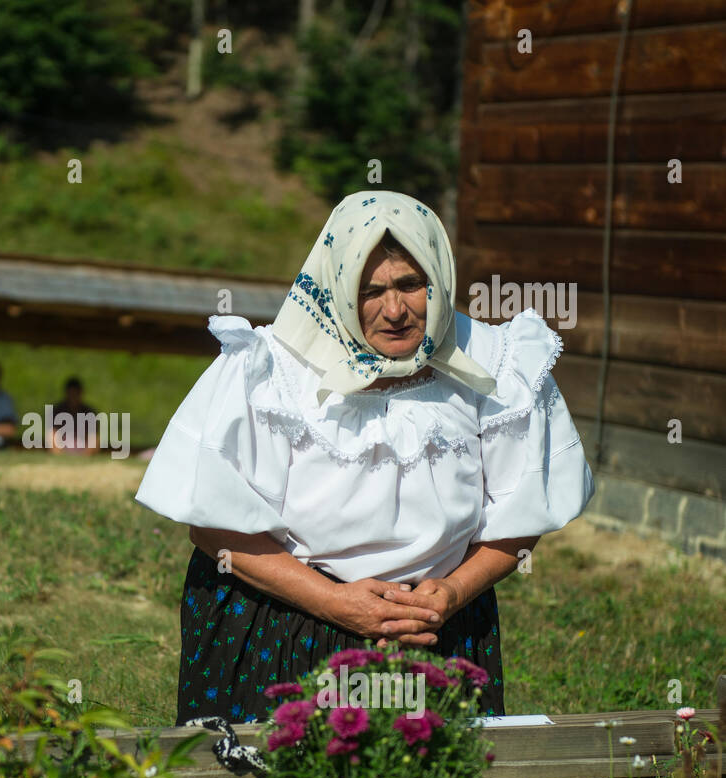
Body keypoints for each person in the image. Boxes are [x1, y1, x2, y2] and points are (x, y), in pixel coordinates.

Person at [135, 190, 594, 724]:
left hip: (437, 626)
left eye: (410, 285)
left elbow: (521, 513)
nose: (394, 310)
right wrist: (334, 605)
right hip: (286, 623)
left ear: (438, 281)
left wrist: (449, 592)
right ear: (336, 291)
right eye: (369, 291)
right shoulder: (272, 371)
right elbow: (214, 529)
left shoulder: (497, 366)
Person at [48, 376, 100, 455]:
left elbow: (94, 438)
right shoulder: (57, 411)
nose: (73, 397)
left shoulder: (89, 412)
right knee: (51, 435)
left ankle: (84, 458)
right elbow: (53, 435)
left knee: (94, 439)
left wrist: (84, 455)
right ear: (66, 394)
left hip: (83, 450)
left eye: (76, 394)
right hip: (62, 449)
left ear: (80, 393)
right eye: (71, 394)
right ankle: (59, 458)